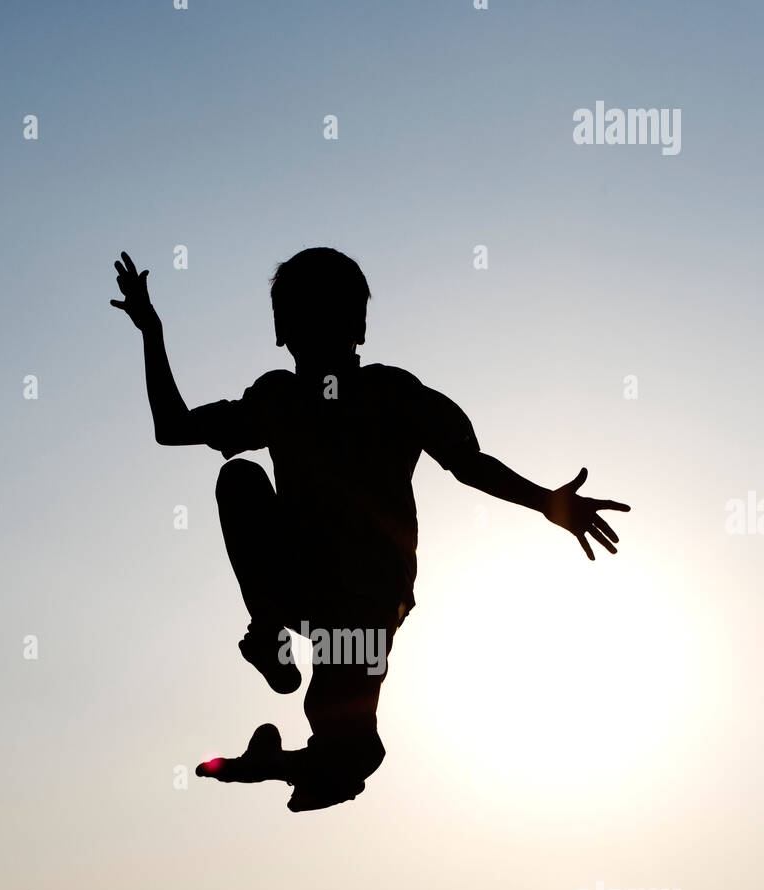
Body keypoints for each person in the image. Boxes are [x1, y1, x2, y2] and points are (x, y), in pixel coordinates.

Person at [111, 247, 630, 812]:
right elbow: (174, 429)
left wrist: (549, 503)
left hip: (362, 600)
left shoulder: (385, 394)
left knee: (345, 754)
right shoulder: (286, 398)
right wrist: (151, 332)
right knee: (239, 477)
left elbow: (467, 463)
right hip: (318, 588)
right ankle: (271, 634)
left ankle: (279, 744)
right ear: (292, 329)